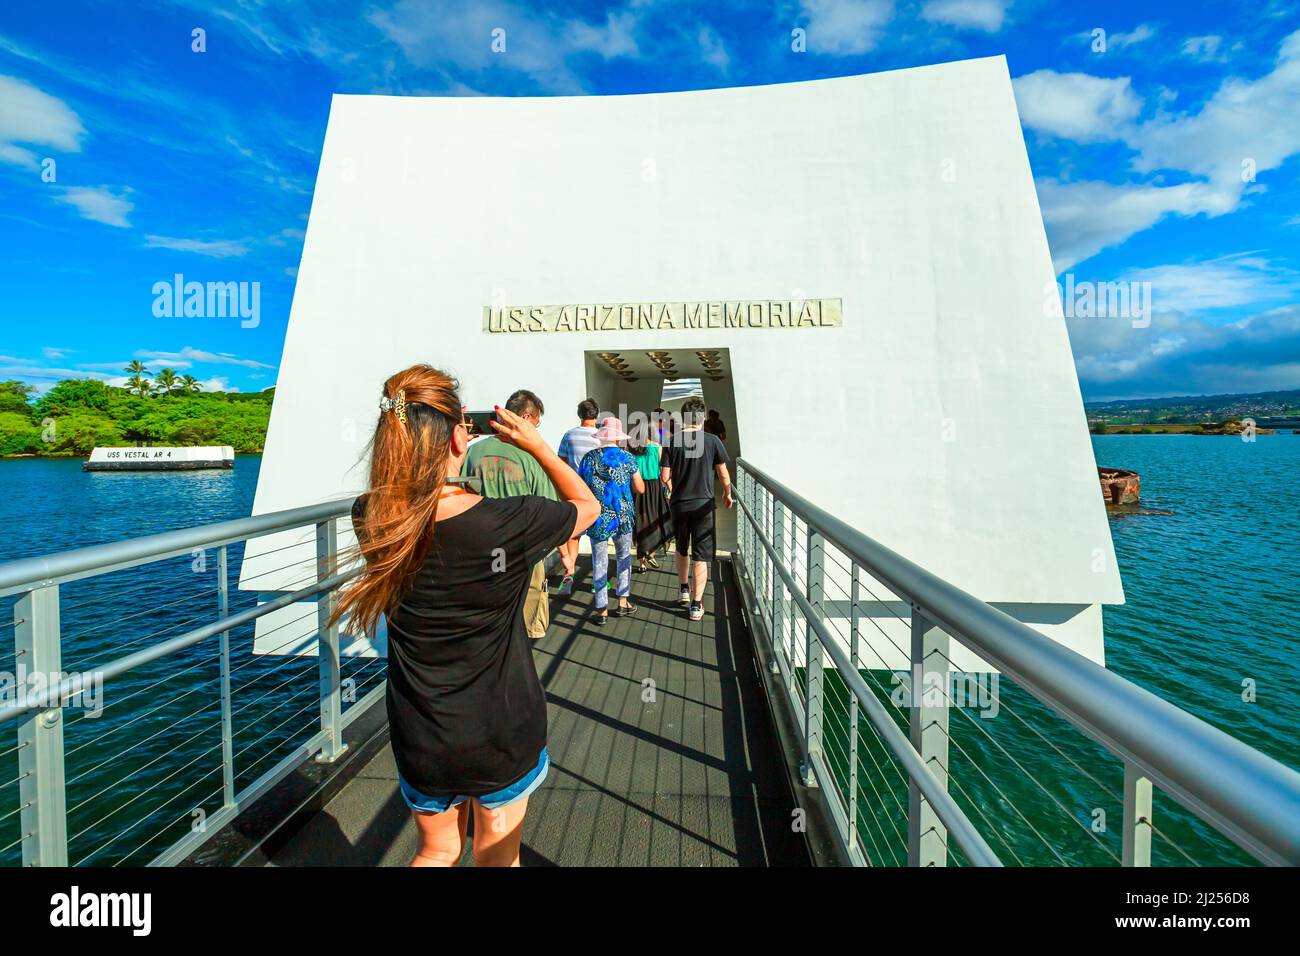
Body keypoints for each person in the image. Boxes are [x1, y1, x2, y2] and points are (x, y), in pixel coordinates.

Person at [332, 365, 598, 867]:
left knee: (437, 850)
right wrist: (538, 446)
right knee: (496, 855)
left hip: (421, 729)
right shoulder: (510, 519)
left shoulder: (372, 516)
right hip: (500, 728)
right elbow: (586, 506)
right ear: (459, 438)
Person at [460, 388, 557, 639]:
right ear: (525, 418)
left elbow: (458, 494)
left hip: (482, 546)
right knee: (527, 616)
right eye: (537, 422)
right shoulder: (533, 456)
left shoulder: (473, 452)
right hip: (524, 548)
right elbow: (548, 506)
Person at [660, 395, 732, 622]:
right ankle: (696, 604)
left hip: (679, 505)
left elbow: (665, 476)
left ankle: (683, 589)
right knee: (700, 555)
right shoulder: (713, 441)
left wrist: (674, 485)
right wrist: (727, 493)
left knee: (682, 548)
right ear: (702, 419)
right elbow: (723, 473)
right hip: (704, 505)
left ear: (683, 418)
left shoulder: (672, 442)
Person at [577, 417, 643, 625]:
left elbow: (580, 486)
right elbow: (640, 488)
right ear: (618, 438)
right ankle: (623, 602)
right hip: (623, 516)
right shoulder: (628, 458)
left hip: (597, 516)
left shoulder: (588, 458)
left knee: (599, 561)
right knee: (624, 557)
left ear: (601, 436)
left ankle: (601, 610)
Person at [555, 398, 601, 595]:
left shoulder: (569, 435)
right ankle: (598, 582)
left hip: (575, 490)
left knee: (574, 534)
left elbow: (561, 462)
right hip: (597, 491)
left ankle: (569, 574)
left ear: (579, 415)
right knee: (598, 536)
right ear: (596, 414)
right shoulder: (601, 436)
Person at [627, 424, 672, 573]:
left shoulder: (630, 449)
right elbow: (664, 472)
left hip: (636, 486)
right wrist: (671, 488)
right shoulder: (657, 448)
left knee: (640, 520)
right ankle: (651, 553)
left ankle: (642, 563)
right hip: (654, 488)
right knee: (655, 519)